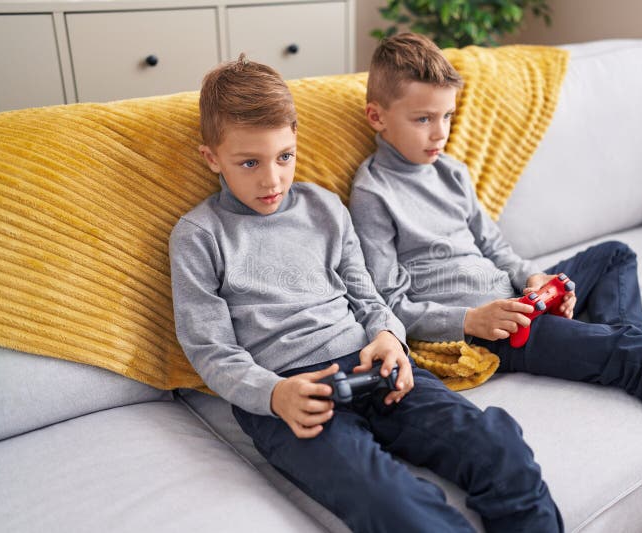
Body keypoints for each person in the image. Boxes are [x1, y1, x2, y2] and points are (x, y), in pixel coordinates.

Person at [348, 32, 642, 510]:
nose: (439, 133)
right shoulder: (373, 195)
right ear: (377, 117)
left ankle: (621, 339)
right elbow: (389, 302)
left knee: (614, 255)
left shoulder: (451, 171)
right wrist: (471, 321)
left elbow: (495, 246)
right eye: (423, 119)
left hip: (517, 297)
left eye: (447, 116)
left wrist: (535, 278)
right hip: (489, 329)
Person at [169, 54, 566, 532]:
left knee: (498, 448)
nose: (271, 179)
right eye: (249, 163)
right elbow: (210, 350)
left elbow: (370, 296)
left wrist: (388, 338)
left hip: (372, 364)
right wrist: (275, 395)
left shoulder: (326, 209)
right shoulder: (199, 234)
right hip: (292, 392)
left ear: (296, 140)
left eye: (284, 157)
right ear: (211, 158)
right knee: (393, 502)